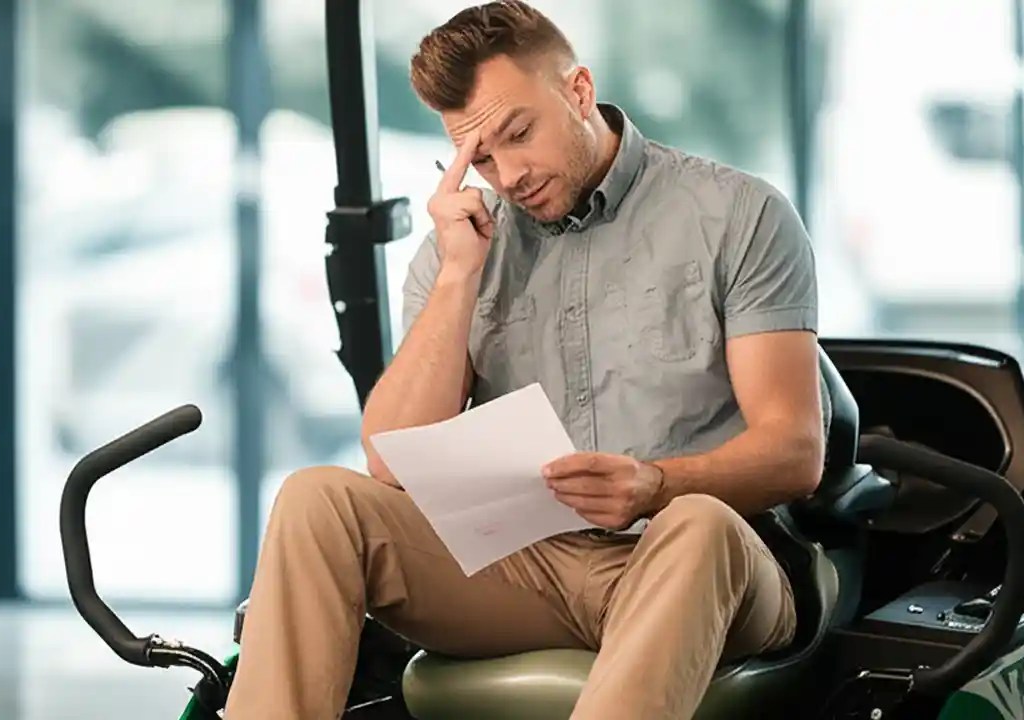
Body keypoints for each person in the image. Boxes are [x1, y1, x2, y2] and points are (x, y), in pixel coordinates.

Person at [225, 1, 828, 718]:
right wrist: (457, 277)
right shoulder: (466, 247)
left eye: (518, 135)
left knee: (696, 523)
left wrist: (656, 483)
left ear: (577, 90)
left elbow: (795, 451)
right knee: (316, 499)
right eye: (479, 158)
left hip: (701, 563)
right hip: (531, 569)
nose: (507, 175)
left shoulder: (740, 215)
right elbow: (391, 463)